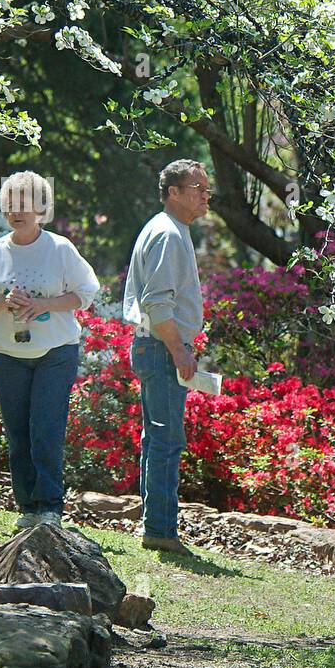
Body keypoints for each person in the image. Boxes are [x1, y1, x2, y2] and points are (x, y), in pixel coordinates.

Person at [0, 171, 100, 530]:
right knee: (18, 432)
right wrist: (4, 301)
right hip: (7, 354)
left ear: (42, 208)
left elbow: (86, 293)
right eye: (10, 204)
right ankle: (27, 507)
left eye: (25, 204)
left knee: (46, 428)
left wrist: (45, 305)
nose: (16, 211)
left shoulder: (60, 249)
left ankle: (50, 508)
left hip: (55, 353)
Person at [122, 159, 210, 556]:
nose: (204, 195)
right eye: (197, 187)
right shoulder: (168, 233)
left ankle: (157, 526)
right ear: (173, 192)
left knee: (159, 437)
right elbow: (157, 303)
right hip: (160, 347)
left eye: (206, 188)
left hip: (157, 346)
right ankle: (160, 530)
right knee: (167, 440)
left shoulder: (171, 230)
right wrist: (179, 350)